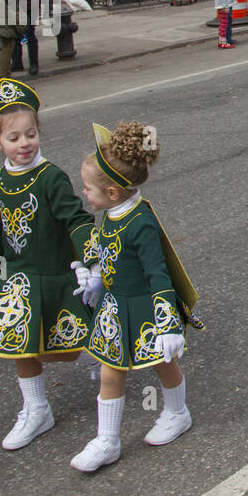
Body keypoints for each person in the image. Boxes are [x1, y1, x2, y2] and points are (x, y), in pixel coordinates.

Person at [0, 79, 96, 450]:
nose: (24, 143)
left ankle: (101, 354)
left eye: (30, 134)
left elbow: (76, 220)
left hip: (55, 274)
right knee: (21, 345)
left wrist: (92, 260)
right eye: (13, 138)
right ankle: (37, 409)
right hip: (17, 278)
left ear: (39, 132)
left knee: (66, 347)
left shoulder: (51, 177)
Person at [69, 121, 202, 472]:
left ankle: (177, 413)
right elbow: (107, 249)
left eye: (88, 189)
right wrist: (96, 276)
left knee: (163, 363)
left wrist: (168, 325)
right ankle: (107, 441)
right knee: (112, 372)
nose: (85, 194)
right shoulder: (112, 213)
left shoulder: (140, 221)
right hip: (116, 309)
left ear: (112, 193)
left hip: (145, 308)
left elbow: (157, 273)